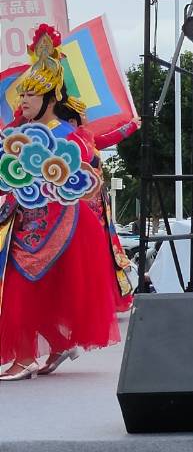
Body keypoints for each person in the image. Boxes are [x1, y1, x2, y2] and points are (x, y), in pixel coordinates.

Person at [0, 25, 121, 381]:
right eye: (22, 96)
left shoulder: (68, 136)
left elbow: (85, 175)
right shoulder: (19, 135)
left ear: (50, 97)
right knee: (29, 289)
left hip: (58, 222)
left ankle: (24, 357)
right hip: (26, 220)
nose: (22, 103)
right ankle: (55, 342)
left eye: (30, 97)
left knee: (22, 286)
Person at [63, 103, 140, 314]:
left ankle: (101, 299)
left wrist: (131, 126)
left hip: (99, 206)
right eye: (82, 114)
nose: (86, 117)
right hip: (81, 207)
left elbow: (108, 138)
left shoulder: (86, 138)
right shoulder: (68, 142)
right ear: (71, 121)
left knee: (105, 253)